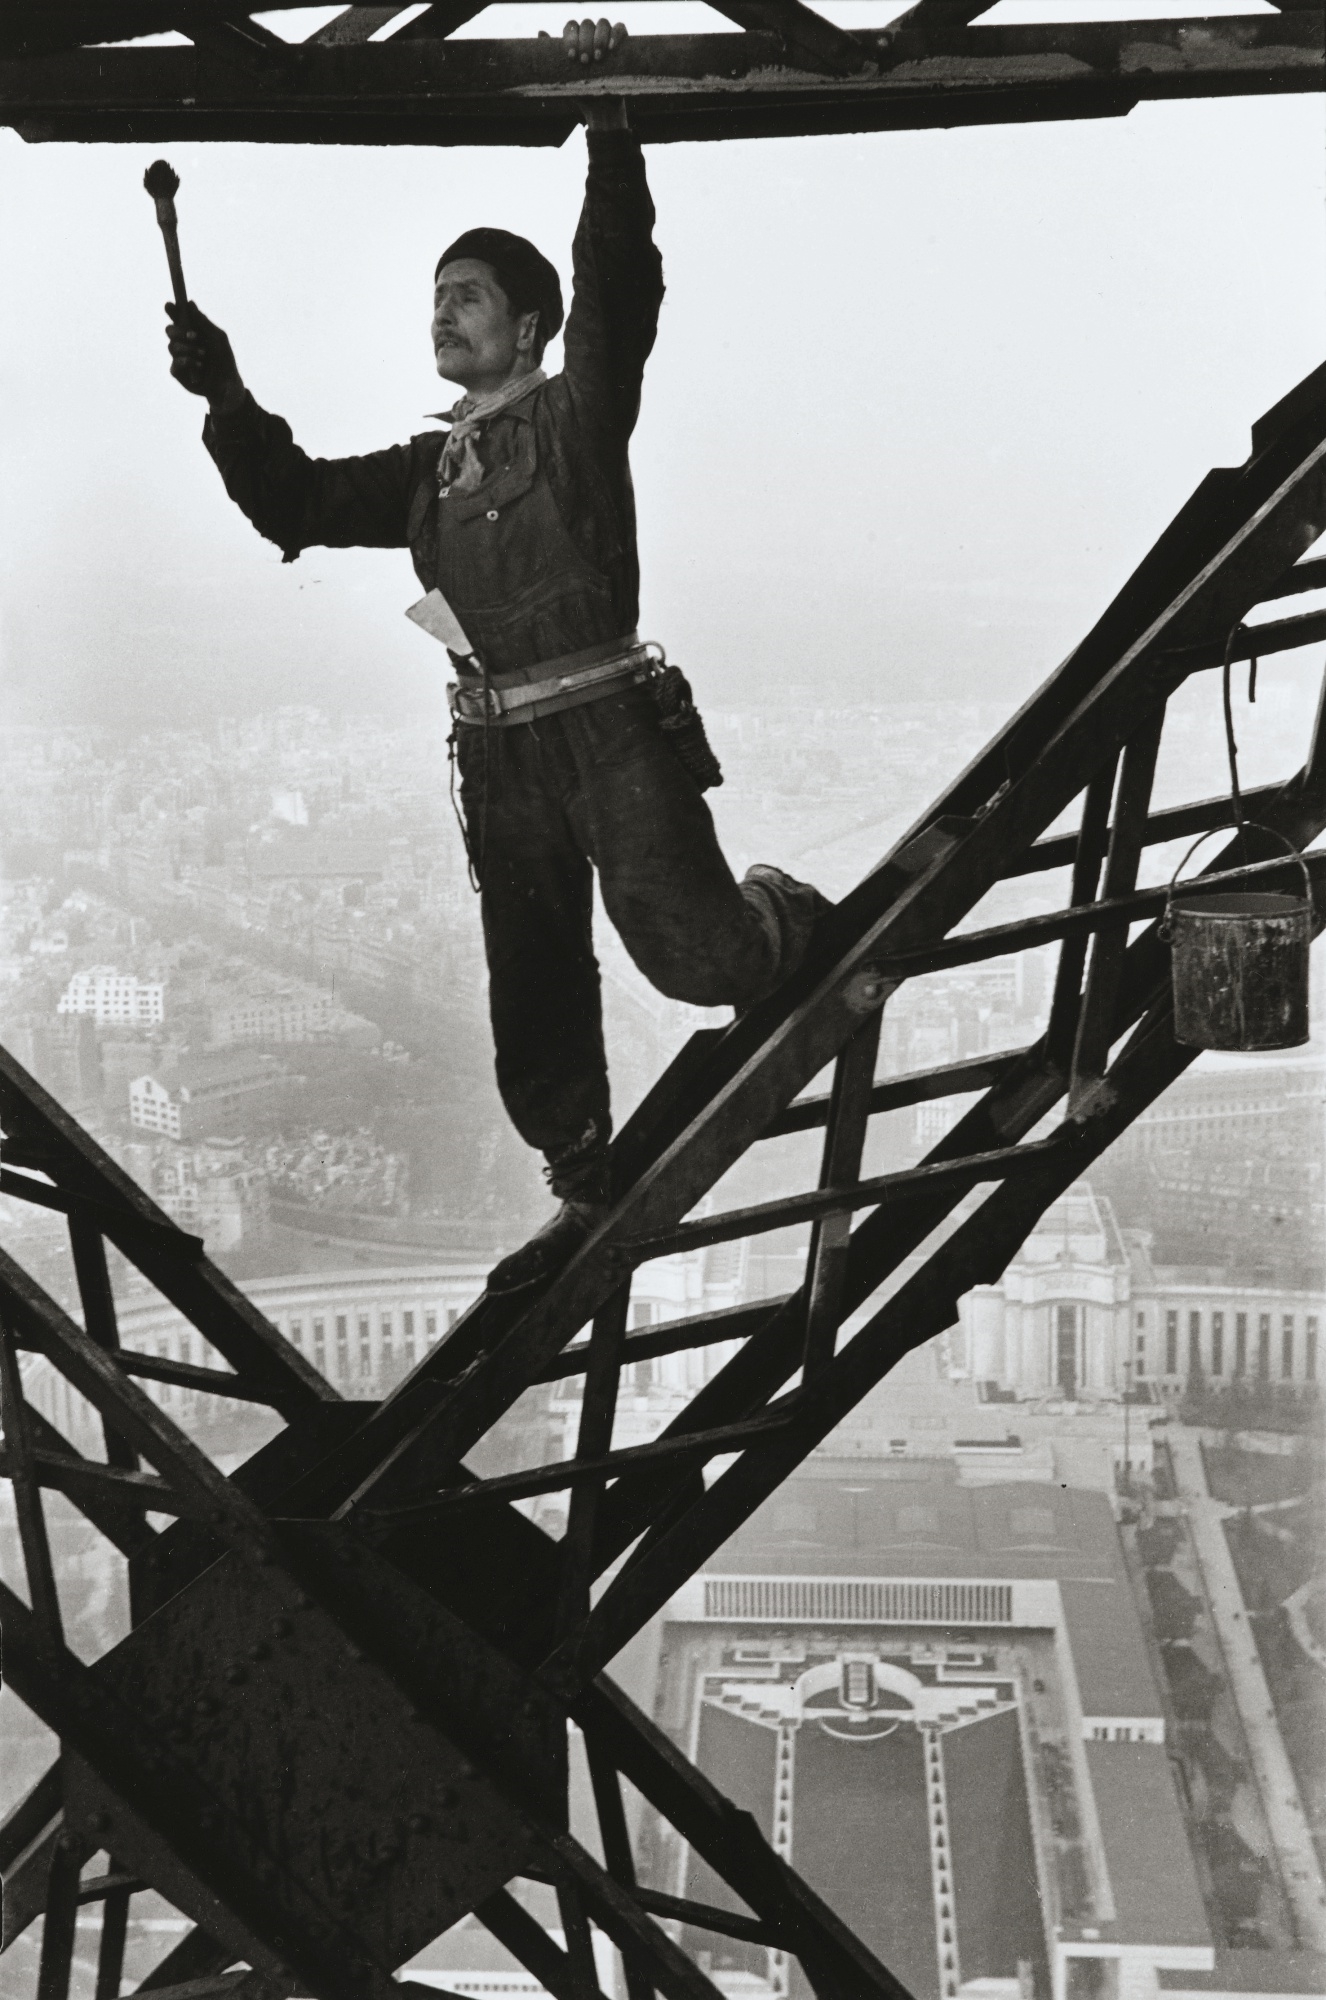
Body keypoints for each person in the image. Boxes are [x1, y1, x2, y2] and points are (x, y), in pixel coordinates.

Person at [165, 20, 827, 1295]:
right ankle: (581, 1178)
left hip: (610, 730)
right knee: (531, 988)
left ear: (530, 326)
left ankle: (779, 915)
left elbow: (620, 295)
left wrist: (612, 127)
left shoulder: (578, 422)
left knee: (699, 964)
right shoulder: (432, 471)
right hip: (501, 753)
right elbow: (294, 500)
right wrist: (226, 398)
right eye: (435, 298)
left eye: (466, 295)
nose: (442, 314)